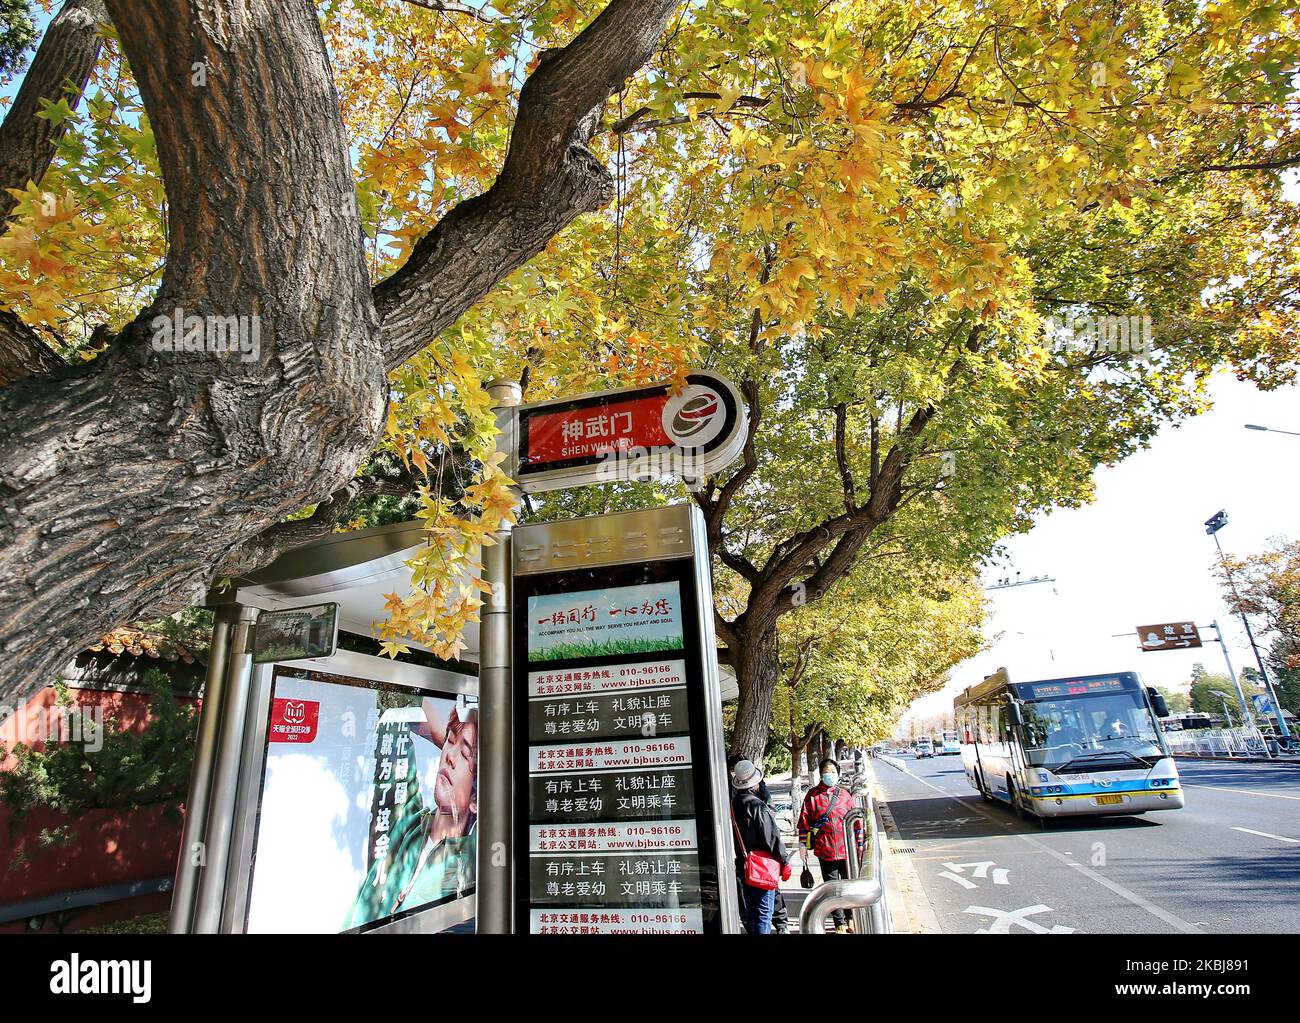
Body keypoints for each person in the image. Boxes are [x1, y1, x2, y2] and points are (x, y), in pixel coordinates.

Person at [343, 702, 478, 930]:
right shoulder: (405, 821)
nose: (449, 756)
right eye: (449, 741)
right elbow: (395, 713)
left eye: (465, 754)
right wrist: (448, 732)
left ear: (477, 799)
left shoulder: (473, 858)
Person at [726, 753, 790, 933]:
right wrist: (784, 861)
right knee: (763, 914)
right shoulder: (757, 806)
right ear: (755, 782)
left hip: (744, 865)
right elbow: (772, 838)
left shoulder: (733, 804)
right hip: (762, 866)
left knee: (753, 913)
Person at [798, 757, 863, 933]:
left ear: (838, 774)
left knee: (848, 886)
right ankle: (839, 923)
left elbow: (857, 822)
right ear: (820, 774)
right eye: (826, 772)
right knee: (832, 888)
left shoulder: (844, 795)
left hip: (847, 850)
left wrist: (860, 843)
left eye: (833, 772)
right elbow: (804, 822)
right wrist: (802, 845)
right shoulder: (813, 796)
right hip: (824, 849)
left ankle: (851, 919)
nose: (829, 775)